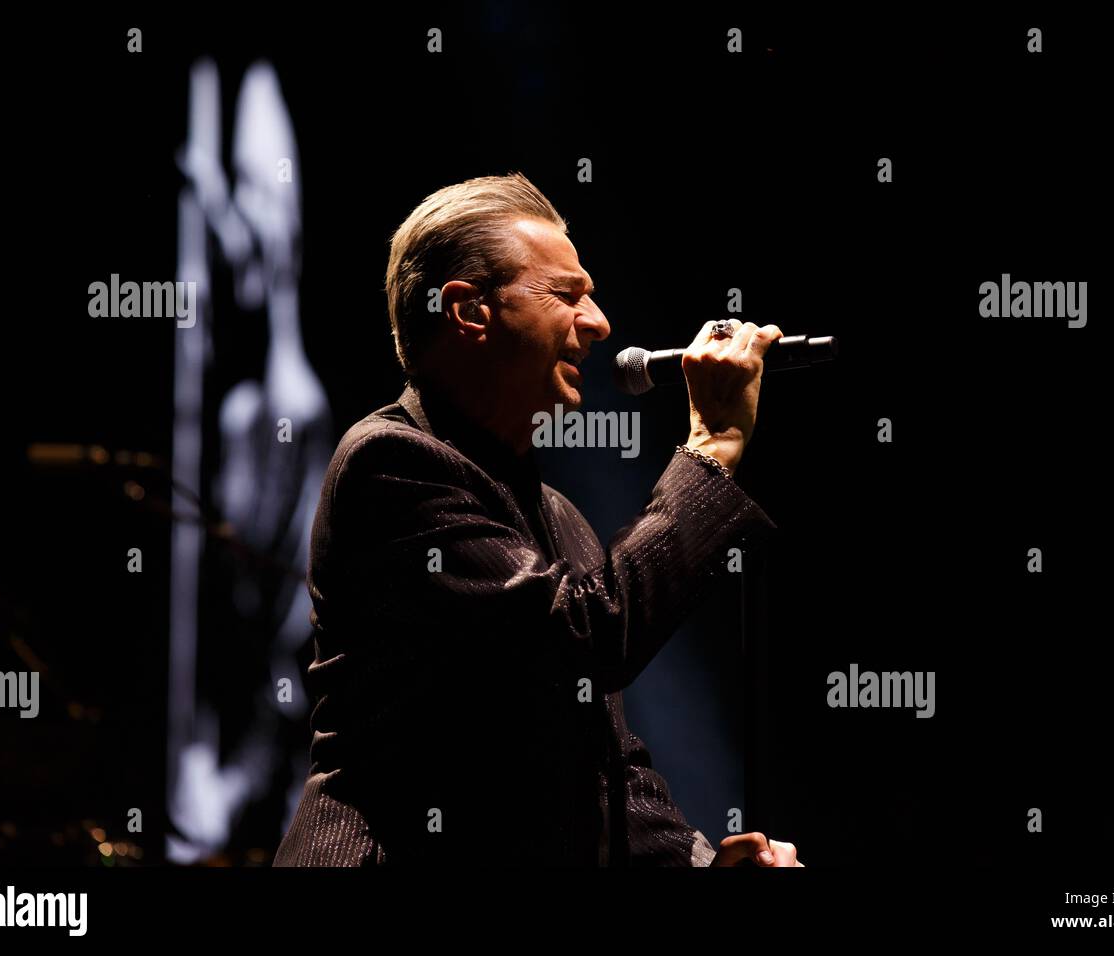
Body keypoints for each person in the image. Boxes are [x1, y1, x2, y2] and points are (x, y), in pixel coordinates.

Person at [274, 173, 801, 866]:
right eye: (567, 295)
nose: (601, 324)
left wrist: (704, 863)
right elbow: (586, 636)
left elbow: (602, 758)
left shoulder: (557, 517)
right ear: (468, 311)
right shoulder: (392, 465)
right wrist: (711, 448)